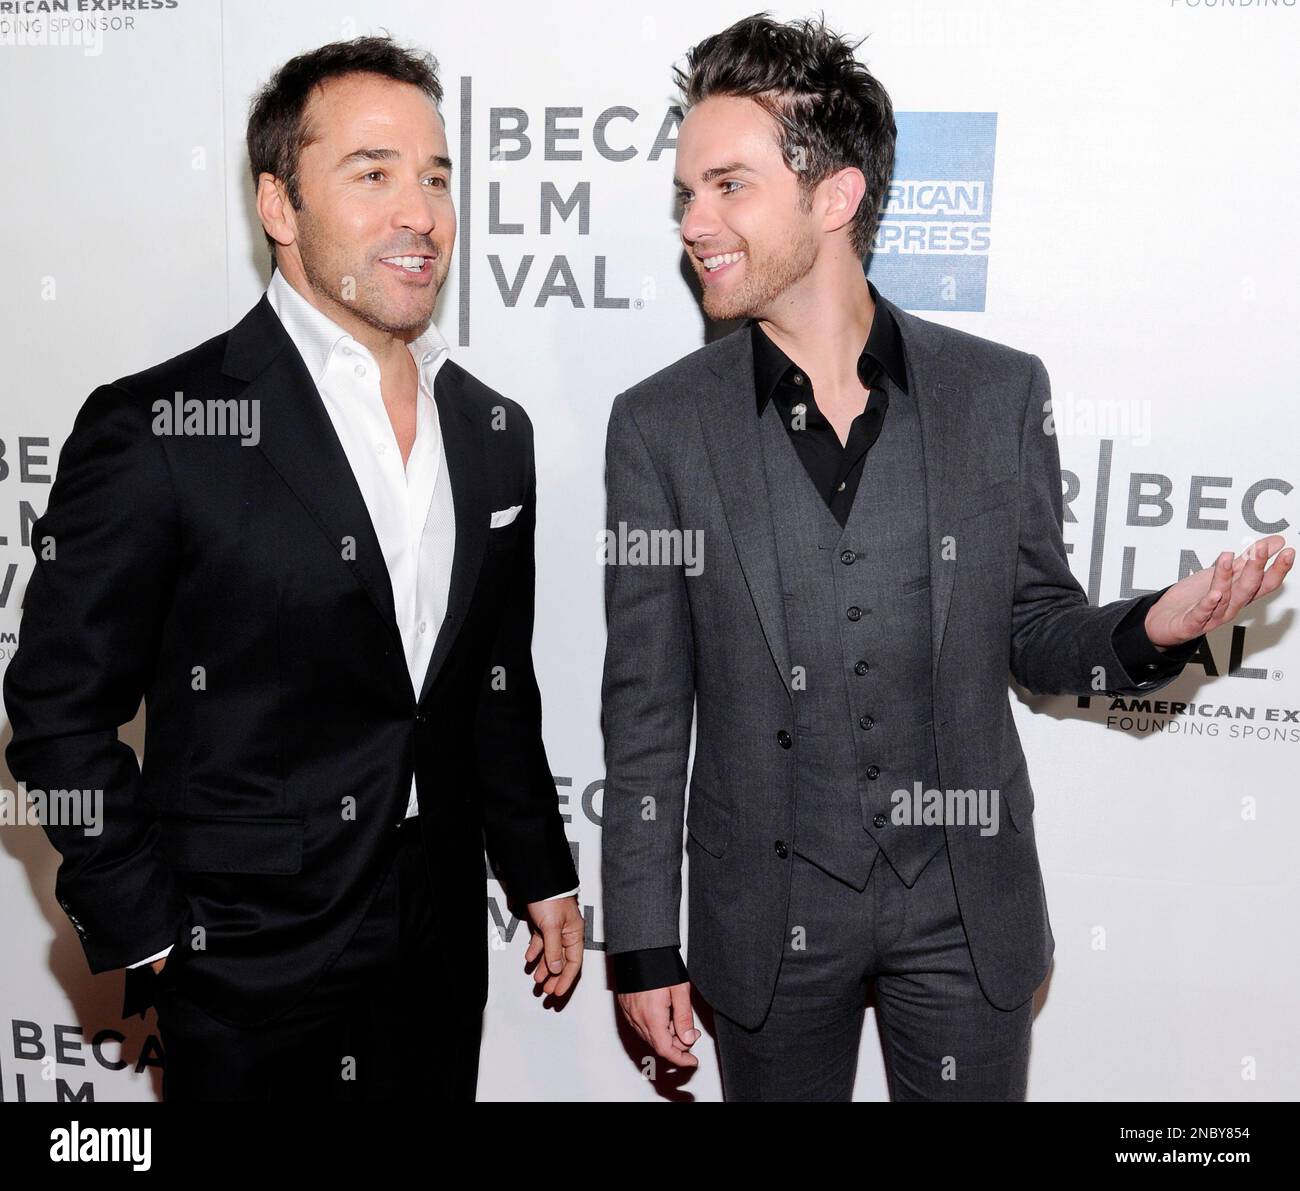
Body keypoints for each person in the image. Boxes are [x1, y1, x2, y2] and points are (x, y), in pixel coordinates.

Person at [599, 13, 1291, 1101]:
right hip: (764, 914)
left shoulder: (994, 392)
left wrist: (1152, 626)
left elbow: (1035, 630)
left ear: (834, 198)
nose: (695, 221)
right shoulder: (656, 426)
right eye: (685, 192)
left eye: (727, 187)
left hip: (963, 905)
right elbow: (643, 711)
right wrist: (639, 940)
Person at [4, 34, 582, 1102]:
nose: (420, 211)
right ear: (280, 205)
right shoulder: (162, 427)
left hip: (438, 940)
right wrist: (146, 925)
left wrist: (539, 871)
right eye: (373, 174)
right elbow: (53, 708)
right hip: (244, 958)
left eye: (436, 176)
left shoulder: (492, 430)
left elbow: (491, 691)